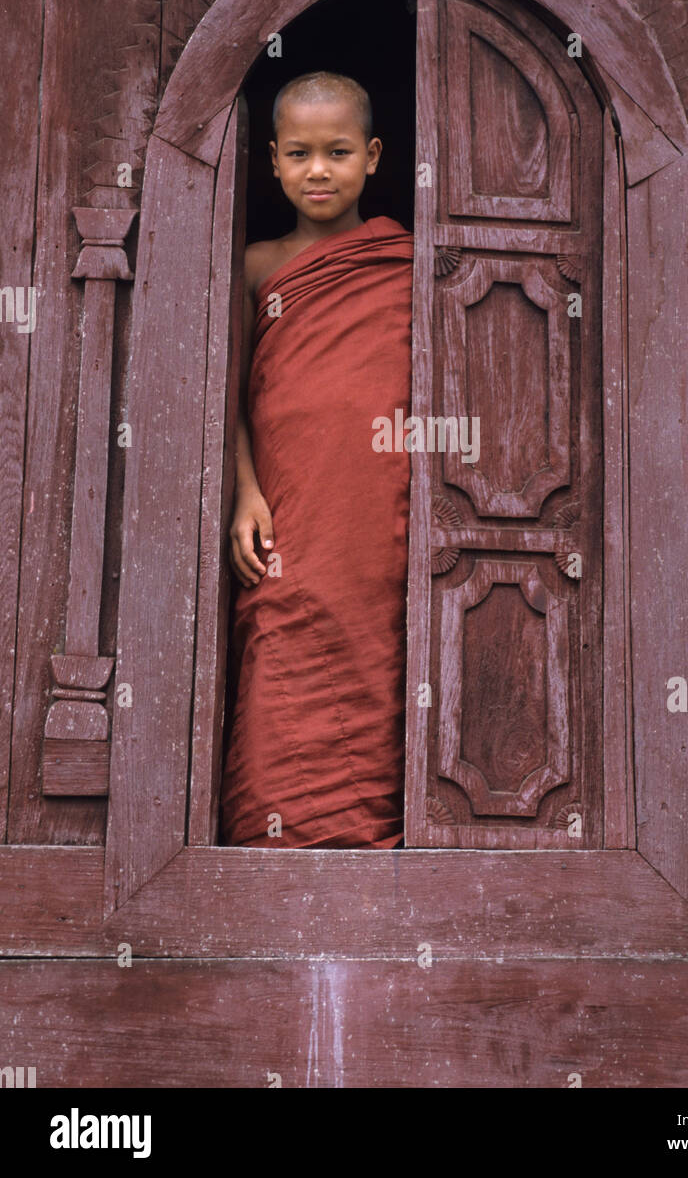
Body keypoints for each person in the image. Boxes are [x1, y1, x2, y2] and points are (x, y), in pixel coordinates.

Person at [219, 71, 412, 849]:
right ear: (271, 161)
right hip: (290, 509)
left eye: (337, 152)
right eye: (299, 153)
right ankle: (278, 847)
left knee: (383, 658)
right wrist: (244, 492)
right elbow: (223, 394)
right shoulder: (256, 265)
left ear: (372, 157)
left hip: (378, 510)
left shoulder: (407, 261)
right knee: (283, 639)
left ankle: (380, 848)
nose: (319, 170)